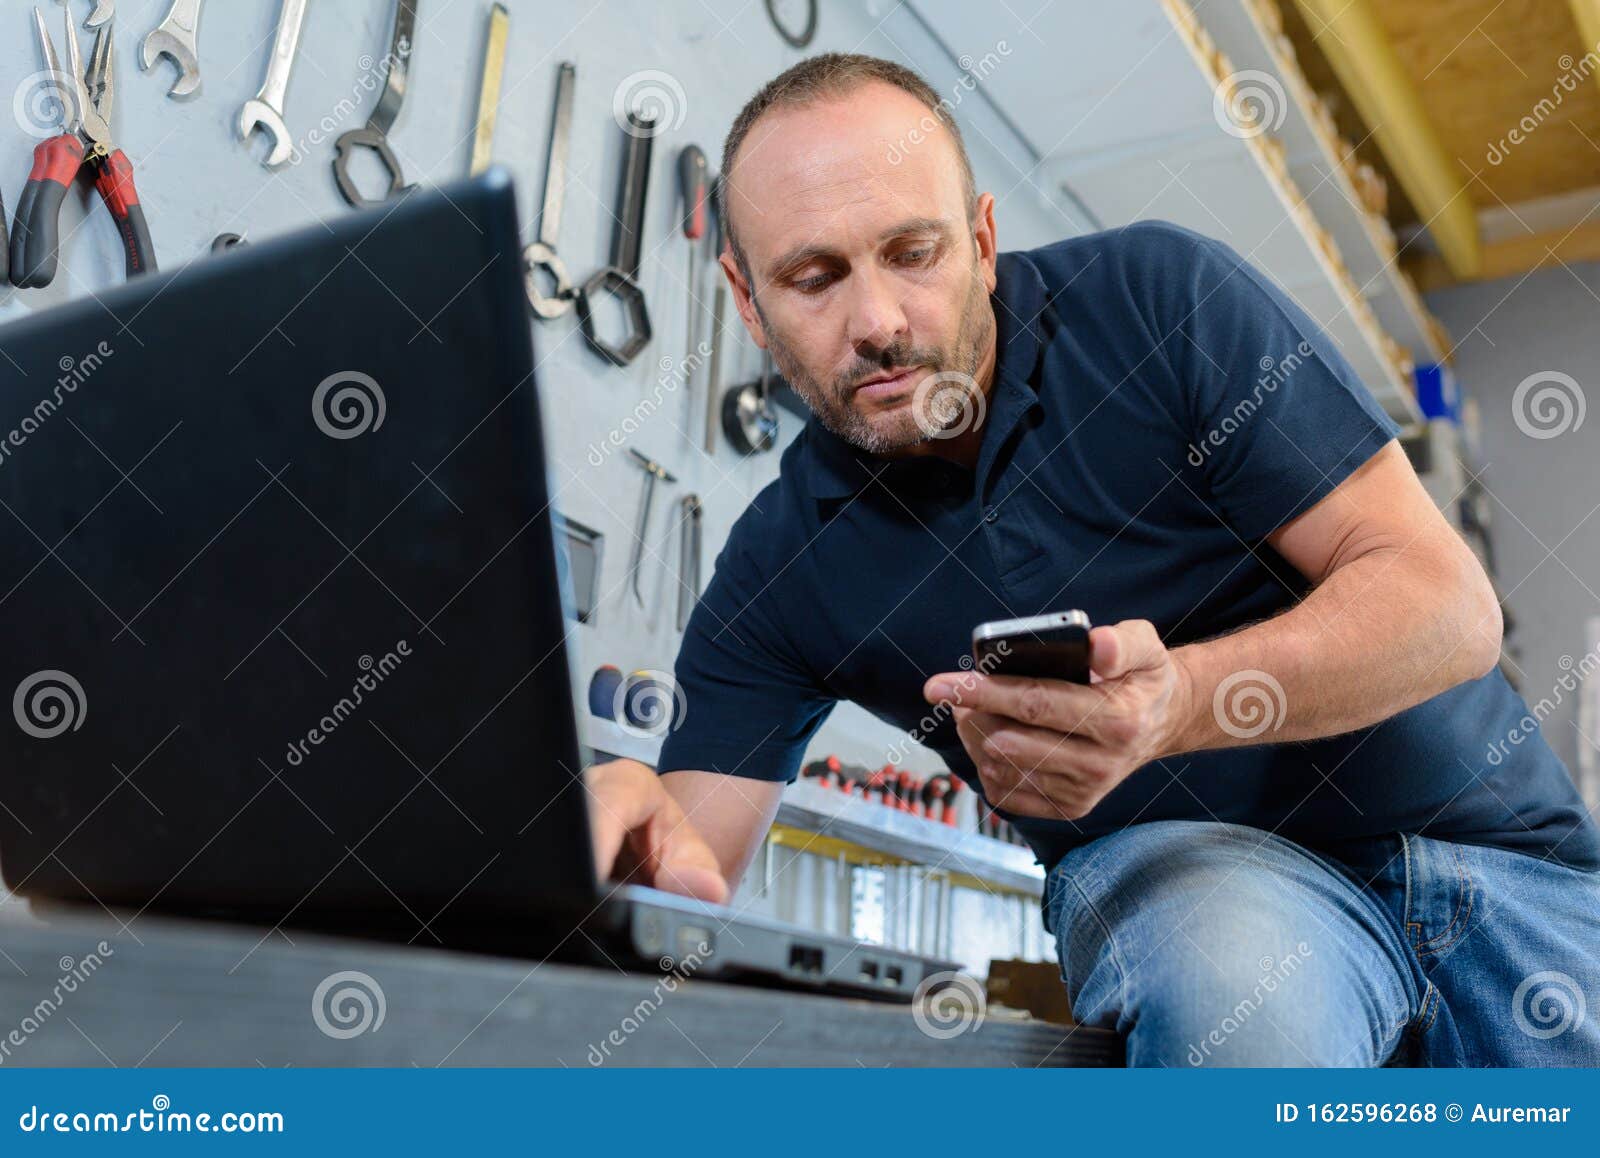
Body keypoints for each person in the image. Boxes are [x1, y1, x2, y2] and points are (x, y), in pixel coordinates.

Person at [586, 52, 1600, 1066]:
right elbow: (685, 863)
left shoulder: (1159, 302)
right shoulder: (778, 570)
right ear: (745, 298)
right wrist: (617, 822)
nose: (878, 323)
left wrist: (1179, 704)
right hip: (1208, 889)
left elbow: (1448, 610)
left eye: (912, 251)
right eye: (813, 278)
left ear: (982, 243)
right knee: (1243, 1020)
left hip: (1510, 871)